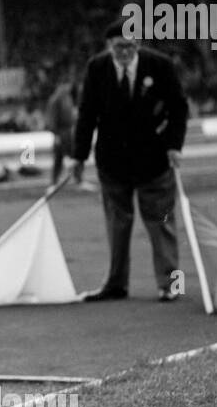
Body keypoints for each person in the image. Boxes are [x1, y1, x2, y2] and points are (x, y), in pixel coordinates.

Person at [70, 17, 189, 302]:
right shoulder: (97, 68)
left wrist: (174, 146)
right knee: (117, 226)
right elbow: (87, 114)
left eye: (129, 46)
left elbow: (179, 108)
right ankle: (116, 284)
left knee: (162, 223)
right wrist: (78, 156)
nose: (124, 52)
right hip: (112, 163)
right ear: (109, 46)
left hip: (154, 160)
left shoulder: (160, 65)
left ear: (138, 43)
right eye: (118, 47)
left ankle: (170, 283)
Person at [44, 77, 78, 184]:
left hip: (69, 131)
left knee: (76, 155)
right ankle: (54, 181)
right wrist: (56, 135)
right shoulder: (55, 99)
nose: (68, 87)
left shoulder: (68, 97)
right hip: (60, 132)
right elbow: (52, 119)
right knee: (58, 158)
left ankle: (77, 178)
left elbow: (70, 115)